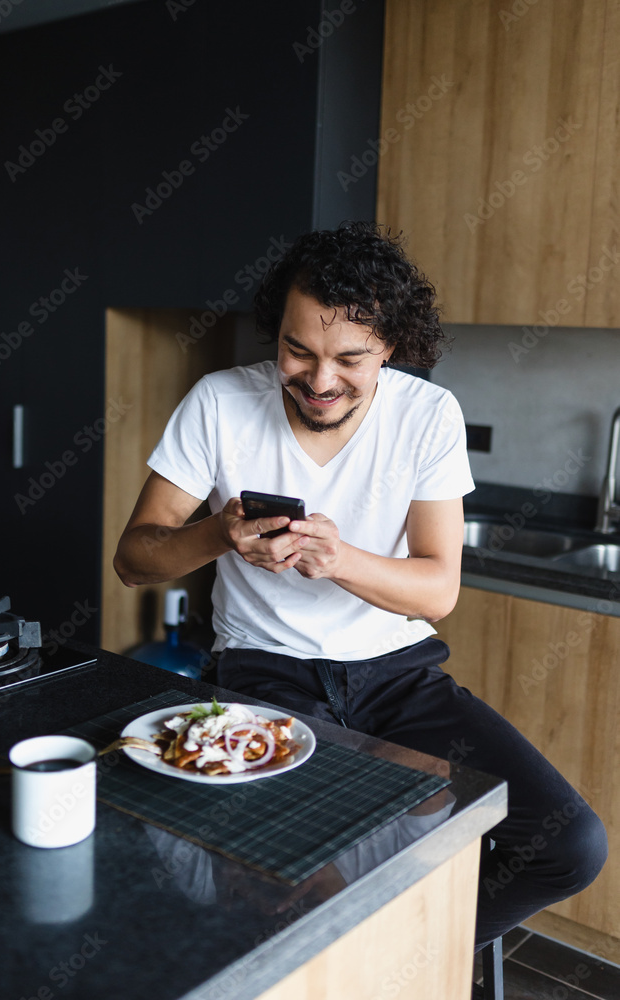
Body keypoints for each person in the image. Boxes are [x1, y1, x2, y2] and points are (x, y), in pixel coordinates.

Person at [114, 221, 606, 955]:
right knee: (285, 871)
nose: (318, 381)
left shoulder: (425, 415)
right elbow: (135, 559)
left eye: (350, 358)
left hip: (401, 683)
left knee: (569, 846)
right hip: (265, 677)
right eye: (297, 351)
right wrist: (219, 533)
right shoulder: (219, 403)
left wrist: (339, 560)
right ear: (274, 330)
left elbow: (437, 589)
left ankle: (401, 959)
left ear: (390, 347)